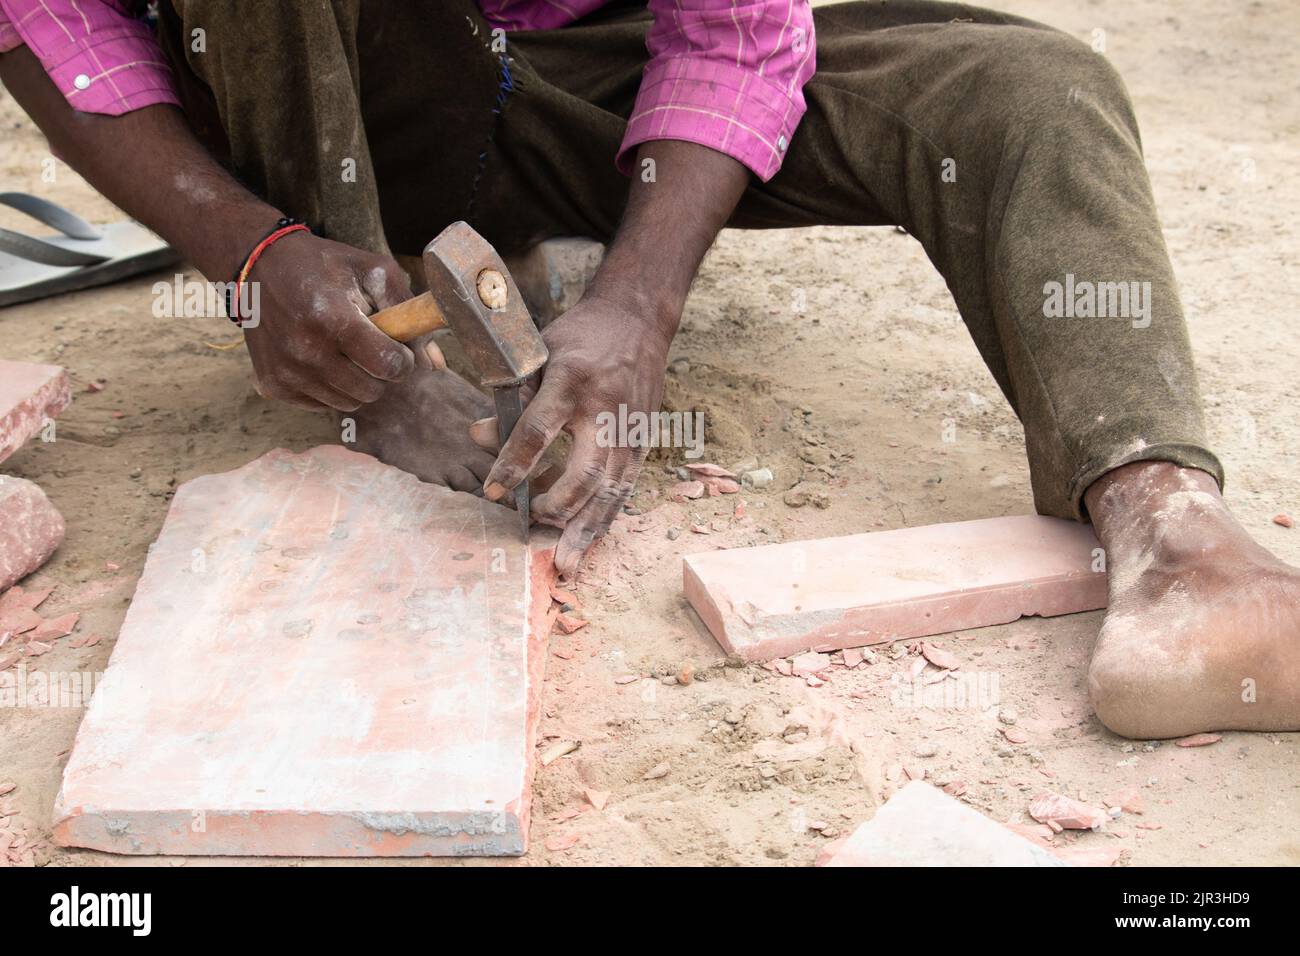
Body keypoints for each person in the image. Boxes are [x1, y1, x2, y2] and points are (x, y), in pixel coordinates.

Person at [2, 0, 1295, 740]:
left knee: (1031, 88)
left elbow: (737, 33)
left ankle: (1175, 535)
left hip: (579, 72)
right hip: (338, 92)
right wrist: (251, 248)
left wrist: (639, 305)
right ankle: (377, 372)